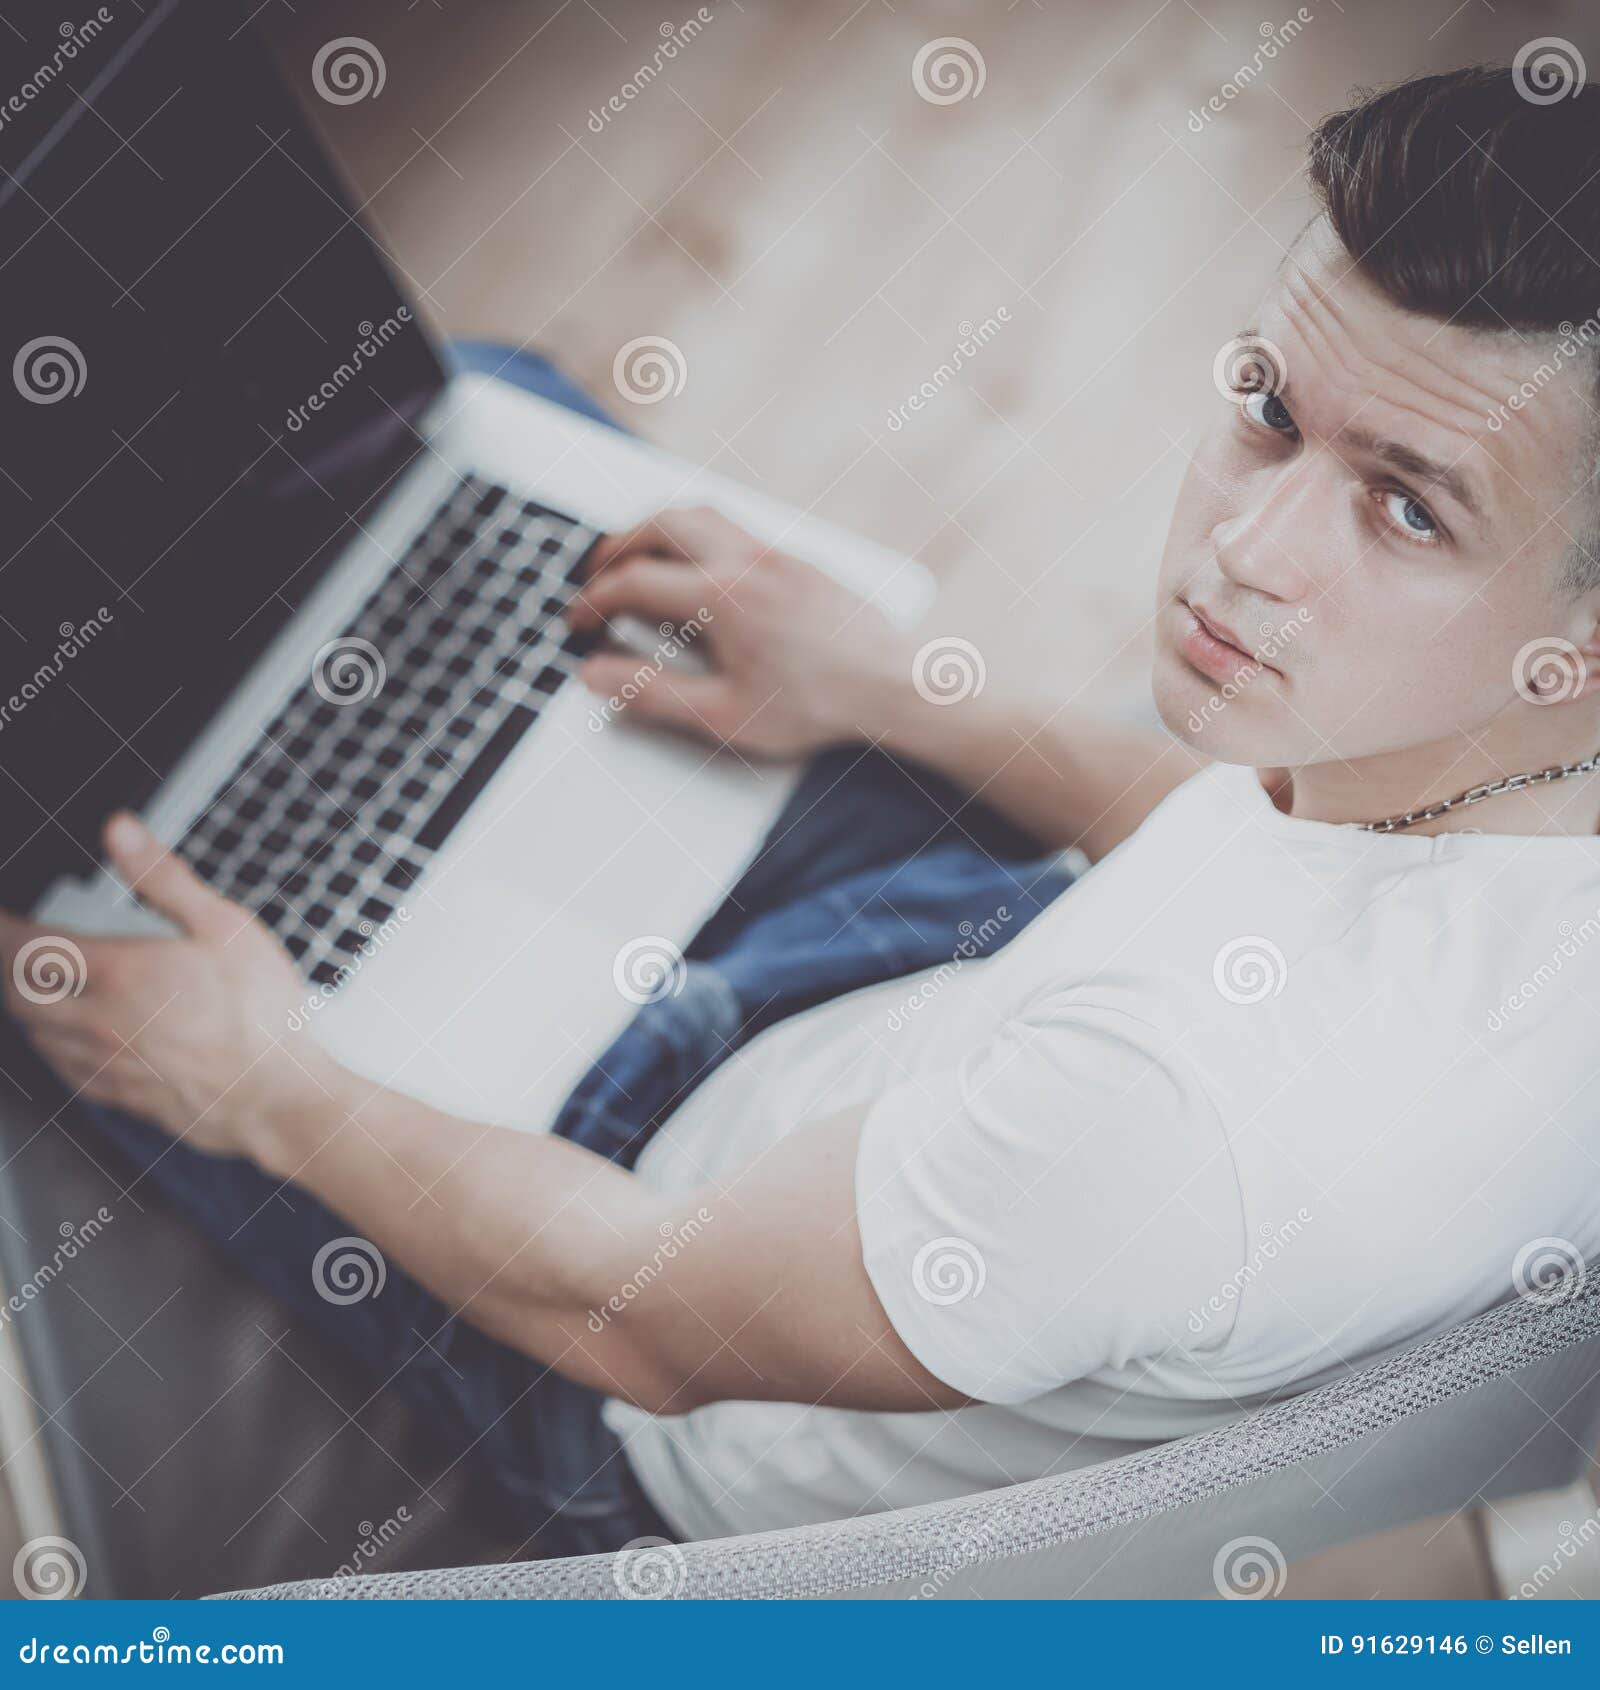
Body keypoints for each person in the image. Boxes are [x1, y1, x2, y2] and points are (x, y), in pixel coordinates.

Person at [4, 64, 1600, 1561]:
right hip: (913, 1012)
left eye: (1406, 505)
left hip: (651, 1344)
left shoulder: (1189, 1113)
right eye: (1267, 404)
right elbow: (1259, 832)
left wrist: (263, 1079)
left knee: (70, 930)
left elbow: (637, 1317)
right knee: (458, 434)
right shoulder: (1483, 780)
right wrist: (899, 693)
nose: (1246, 547)